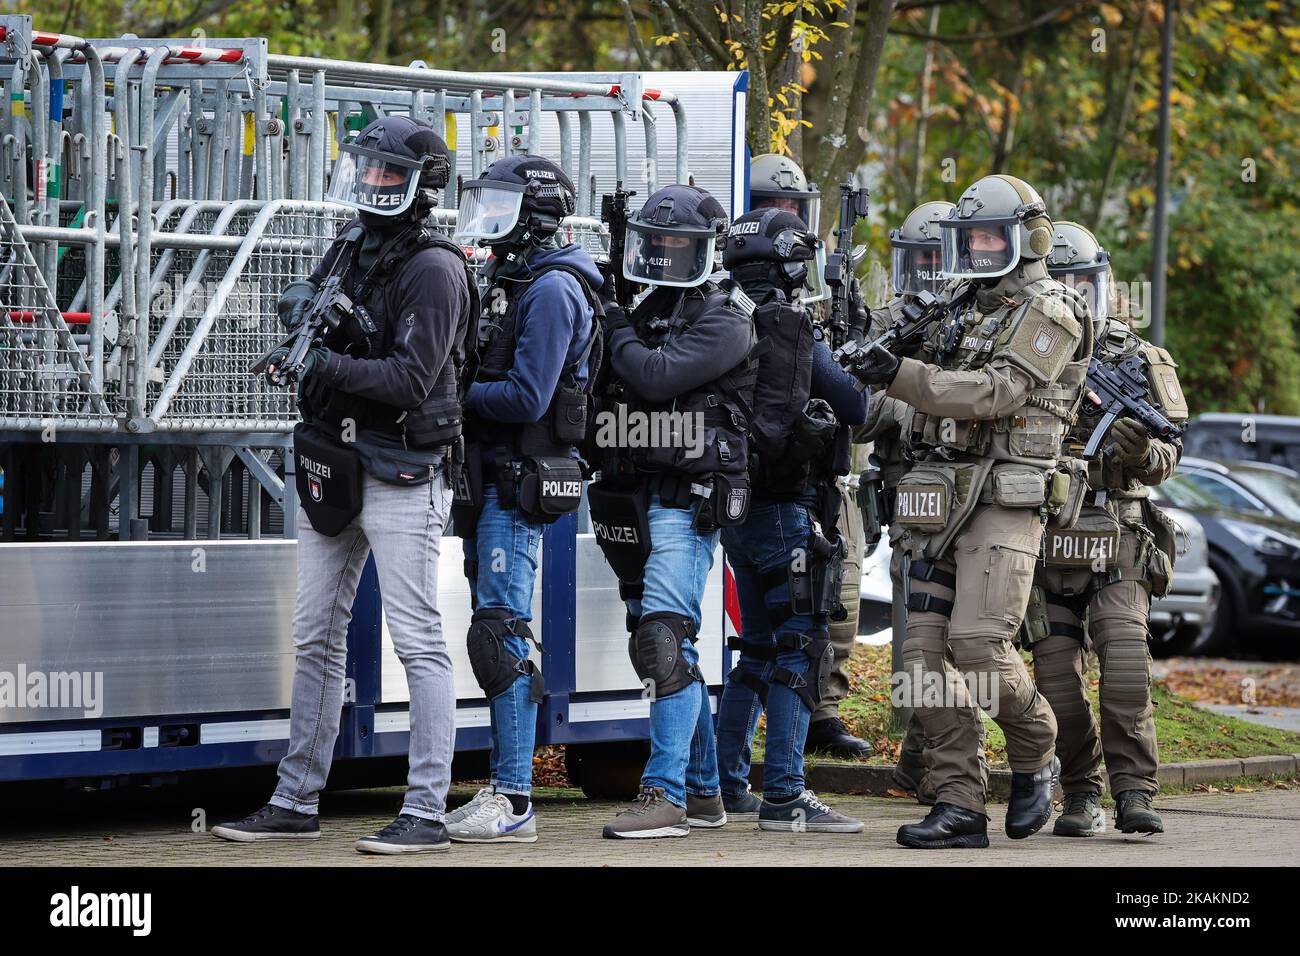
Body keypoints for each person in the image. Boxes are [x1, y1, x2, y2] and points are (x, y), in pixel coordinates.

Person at [212, 116, 475, 854]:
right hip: (334, 464)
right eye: (367, 169)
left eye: (390, 173)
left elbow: (411, 379)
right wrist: (298, 328)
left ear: (422, 185)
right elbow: (323, 342)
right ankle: (295, 800)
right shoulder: (349, 246)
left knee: (418, 642)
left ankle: (425, 810)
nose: (373, 182)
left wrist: (324, 365)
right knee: (313, 639)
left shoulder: (434, 267)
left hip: (401, 471)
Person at [844, 175, 1088, 849]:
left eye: (987, 237)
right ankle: (958, 802)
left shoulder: (1055, 309)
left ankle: (1038, 743)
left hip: (1005, 497)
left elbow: (997, 393)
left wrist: (893, 371)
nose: (976, 251)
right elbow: (899, 374)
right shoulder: (955, 305)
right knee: (921, 658)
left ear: (1026, 239)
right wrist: (855, 352)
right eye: (970, 238)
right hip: (937, 495)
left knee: (978, 645)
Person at [443, 155, 603, 843]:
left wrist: (443, 393)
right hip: (493, 479)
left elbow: (526, 397)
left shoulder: (552, 290)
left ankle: (513, 799)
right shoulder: (519, 278)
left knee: (502, 632)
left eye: (503, 203)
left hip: (517, 482)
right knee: (493, 628)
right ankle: (506, 792)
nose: (489, 216)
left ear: (534, 214)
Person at [589, 184, 756, 839]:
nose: (662, 253)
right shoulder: (646, 302)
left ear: (705, 249)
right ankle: (704, 792)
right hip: (631, 492)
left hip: (690, 502)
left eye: (676, 244)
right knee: (662, 642)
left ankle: (663, 794)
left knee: (661, 637)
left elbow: (655, 378)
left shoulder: (726, 314)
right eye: (653, 242)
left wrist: (613, 321)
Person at [1024, 220, 1186, 837]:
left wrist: (1138, 451)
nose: (1073, 296)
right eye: (1061, 282)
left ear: (1106, 284)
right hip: (1045, 541)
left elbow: (1170, 454)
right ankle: (1080, 792)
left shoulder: (1138, 360)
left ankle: (1136, 791)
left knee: (1125, 669)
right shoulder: (1027, 351)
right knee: (1056, 682)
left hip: (1118, 537)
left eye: (1084, 283)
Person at [713, 206, 869, 831]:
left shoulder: (719, 315)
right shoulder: (792, 326)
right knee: (800, 649)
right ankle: (785, 794)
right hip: (789, 511)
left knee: (755, 651)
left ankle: (723, 787)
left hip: (736, 510)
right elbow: (853, 402)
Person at [750, 152, 871, 758]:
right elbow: (852, 397)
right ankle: (783, 783)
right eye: (773, 206)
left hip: (824, 472)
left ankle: (822, 712)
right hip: (781, 480)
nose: (786, 219)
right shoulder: (754, 295)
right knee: (790, 624)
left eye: (794, 208)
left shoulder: (821, 284)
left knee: (837, 599)